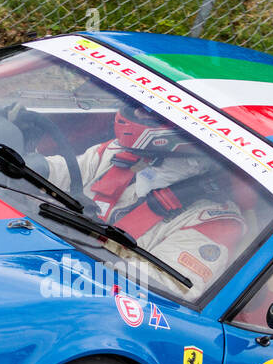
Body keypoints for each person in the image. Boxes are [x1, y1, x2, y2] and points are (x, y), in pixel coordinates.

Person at [36, 102, 248, 296]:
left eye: (154, 110)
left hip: (87, 294)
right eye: (139, 105)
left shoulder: (217, 222)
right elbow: (67, 172)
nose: (137, 111)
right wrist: (31, 163)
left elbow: (158, 291)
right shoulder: (123, 153)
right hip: (45, 252)